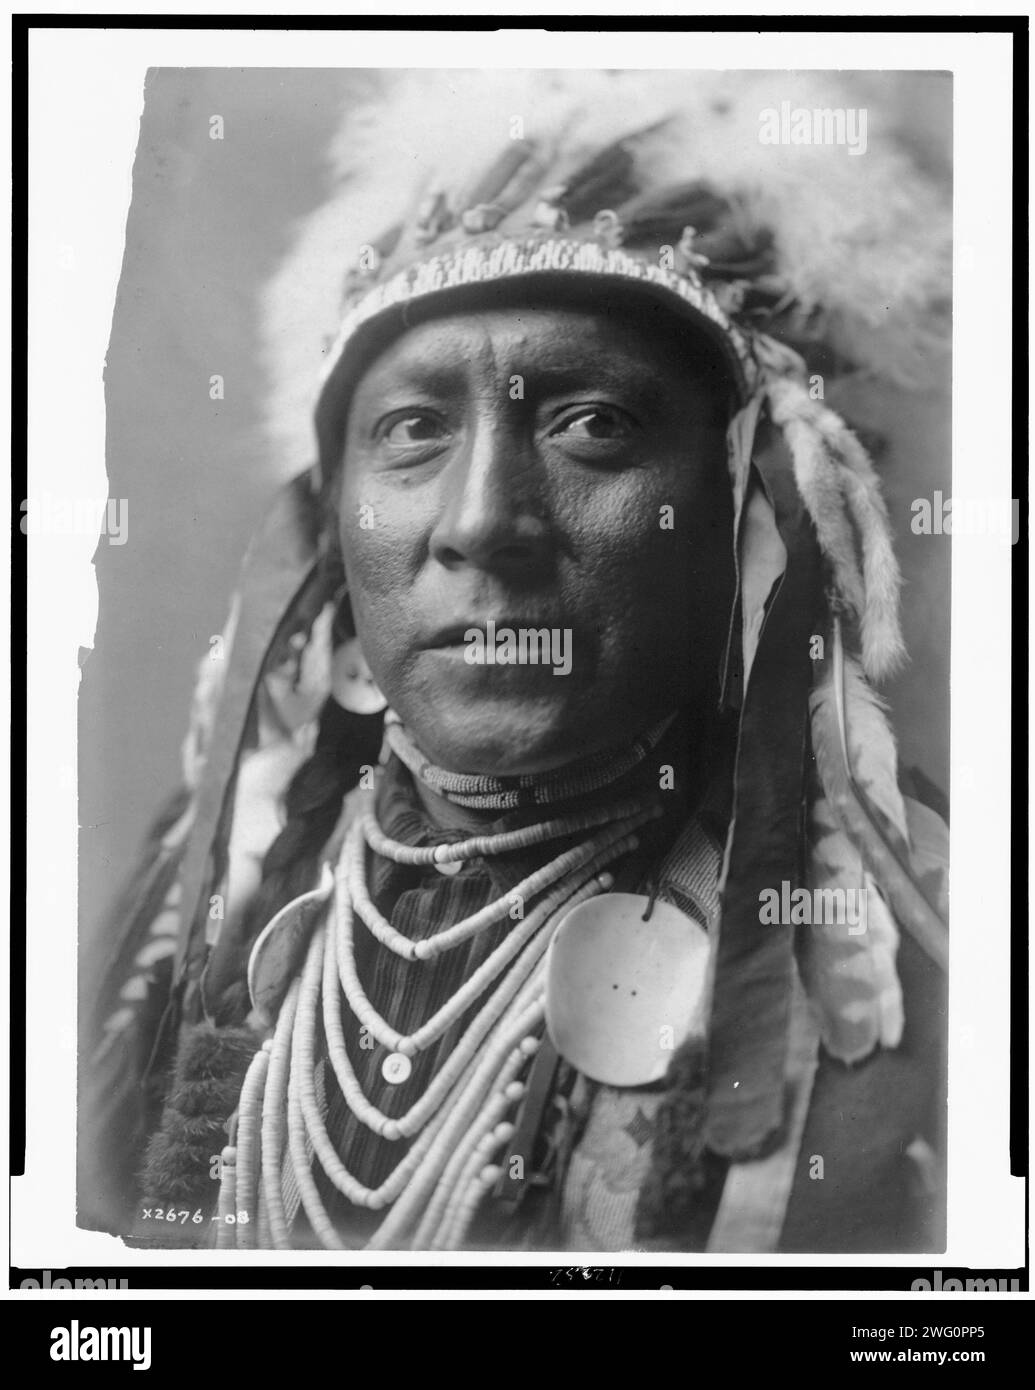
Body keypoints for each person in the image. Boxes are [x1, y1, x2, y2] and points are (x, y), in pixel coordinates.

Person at [82, 70, 950, 1253]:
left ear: (742, 503)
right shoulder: (202, 911)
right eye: (413, 429)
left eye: (592, 421)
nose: (483, 520)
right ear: (335, 522)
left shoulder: (913, 952)